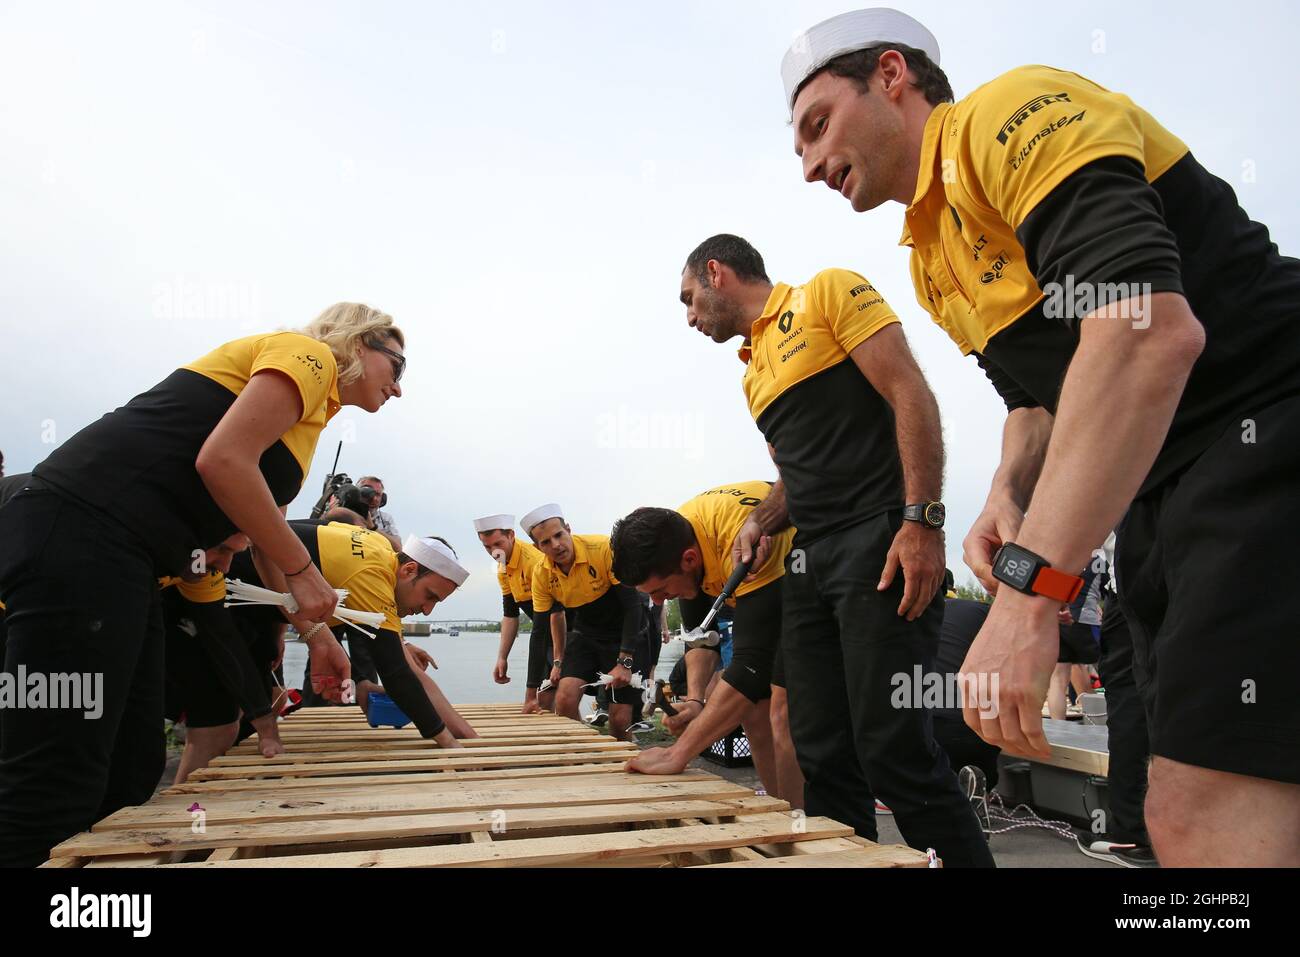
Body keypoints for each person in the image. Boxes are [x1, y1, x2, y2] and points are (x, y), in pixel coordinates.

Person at [782, 7, 1300, 864]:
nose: (808, 165)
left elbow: (1144, 331)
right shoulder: (929, 258)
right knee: (1181, 808)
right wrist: (1006, 489)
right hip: (1160, 486)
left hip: (1266, 420)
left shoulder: (1004, 114)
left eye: (817, 125)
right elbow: (1036, 402)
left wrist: (1028, 593)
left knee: (1206, 811)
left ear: (891, 75)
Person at [0, 303, 404, 866]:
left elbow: (261, 538)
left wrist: (316, 636)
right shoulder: (309, 356)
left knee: (134, 762)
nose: (399, 387)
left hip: (134, 560)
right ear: (359, 342)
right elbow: (224, 460)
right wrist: (305, 570)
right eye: (397, 365)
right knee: (57, 772)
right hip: (84, 530)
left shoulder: (309, 421)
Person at [679, 235, 992, 866]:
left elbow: (909, 392)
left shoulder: (826, 293)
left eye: (690, 298)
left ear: (717, 273)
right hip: (810, 558)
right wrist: (761, 519)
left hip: (880, 540)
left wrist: (922, 522)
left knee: (894, 751)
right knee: (820, 749)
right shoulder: (752, 375)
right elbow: (797, 474)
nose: (690, 317)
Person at [610, 482, 803, 803]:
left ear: (689, 559)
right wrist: (695, 701)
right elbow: (700, 639)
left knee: (781, 710)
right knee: (755, 711)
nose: (657, 602)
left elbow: (751, 667)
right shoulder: (680, 541)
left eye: (660, 590)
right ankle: (780, 809)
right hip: (767, 572)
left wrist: (677, 754)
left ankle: (804, 817)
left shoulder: (737, 545)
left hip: (804, 565)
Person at [271, 521, 477, 743]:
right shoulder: (373, 578)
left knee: (274, 698)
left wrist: (469, 736)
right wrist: (448, 741)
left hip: (269, 596)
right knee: (261, 708)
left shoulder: (380, 549)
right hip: (250, 589)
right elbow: (397, 673)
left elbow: (298, 528)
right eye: (430, 596)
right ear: (409, 570)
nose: (427, 611)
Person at [524, 504, 646, 743]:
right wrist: (530, 694)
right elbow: (539, 633)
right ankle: (587, 751)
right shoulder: (541, 574)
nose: (556, 545)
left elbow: (633, 606)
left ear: (568, 530)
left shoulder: (602, 548)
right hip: (586, 632)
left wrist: (625, 661)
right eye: (546, 542)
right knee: (564, 700)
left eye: (559, 535)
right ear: (537, 547)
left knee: (619, 721)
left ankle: (624, 753)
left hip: (625, 631)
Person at [474, 514, 552, 714]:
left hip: (565, 628)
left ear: (511, 535)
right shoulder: (502, 567)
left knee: (564, 696)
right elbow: (510, 614)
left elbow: (551, 619)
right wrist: (502, 657)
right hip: (545, 634)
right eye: (487, 547)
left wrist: (529, 691)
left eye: (498, 544)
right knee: (544, 700)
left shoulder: (534, 561)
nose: (494, 552)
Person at [358, 475, 401, 550]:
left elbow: (398, 548)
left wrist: (373, 528)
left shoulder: (386, 519)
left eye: (378, 494)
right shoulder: (343, 512)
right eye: (368, 492)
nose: (374, 498)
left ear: (382, 499)